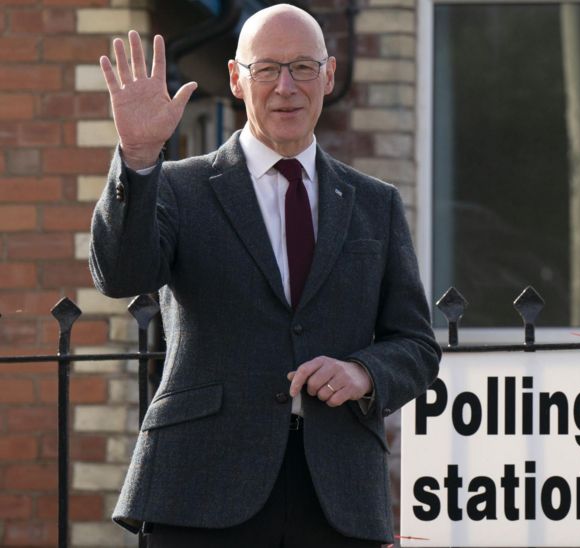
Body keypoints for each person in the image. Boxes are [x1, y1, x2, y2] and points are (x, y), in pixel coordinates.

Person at [90, 5, 441, 547]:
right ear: (236, 77)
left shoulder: (377, 204)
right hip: (201, 489)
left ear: (327, 75)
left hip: (337, 496)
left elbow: (416, 344)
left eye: (303, 67)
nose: (286, 87)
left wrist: (364, 372)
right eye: (267, 69)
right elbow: (119, 274)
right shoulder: (181, 188)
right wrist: (138, 157)